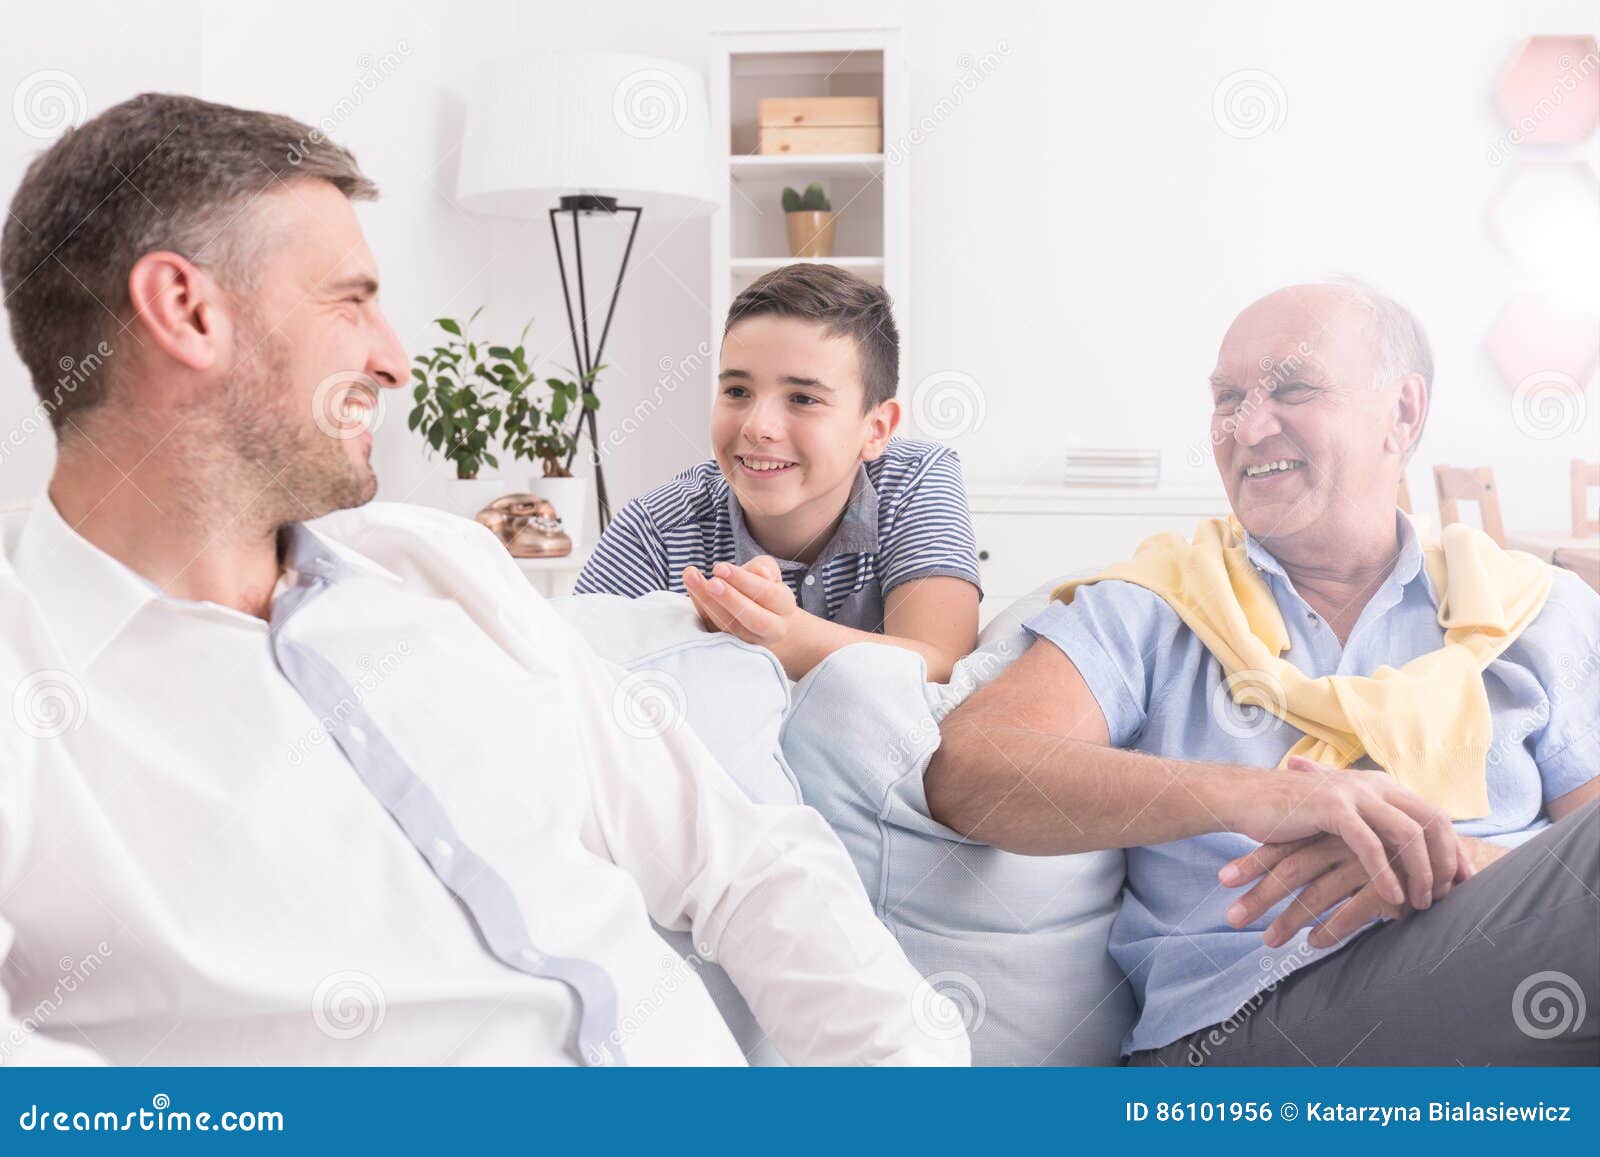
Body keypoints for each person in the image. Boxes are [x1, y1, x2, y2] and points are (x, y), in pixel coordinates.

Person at [0, 93, 968, 1067]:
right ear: (186, 310)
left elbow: (746, 862)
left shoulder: (439, 568)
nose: (394, 358)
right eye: (350, 298)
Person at [924, 281, 1599, 1065]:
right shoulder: (1153, 605)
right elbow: (968, 767)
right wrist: (1269, 796)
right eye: (1227, 398)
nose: (1245, 427)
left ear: (1403, 413)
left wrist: (1434, 860)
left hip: (1511, 1008)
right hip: (1242, 1035)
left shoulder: (1538, 609)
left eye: (1293, 387)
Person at [576, 264, 981, 681]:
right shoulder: (656, 526)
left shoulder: (916, 478)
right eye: (737, 392)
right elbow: (569, 677)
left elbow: (946, 666)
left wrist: (786, 638)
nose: (756, 427)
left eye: (803, 398)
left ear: (876, 429)